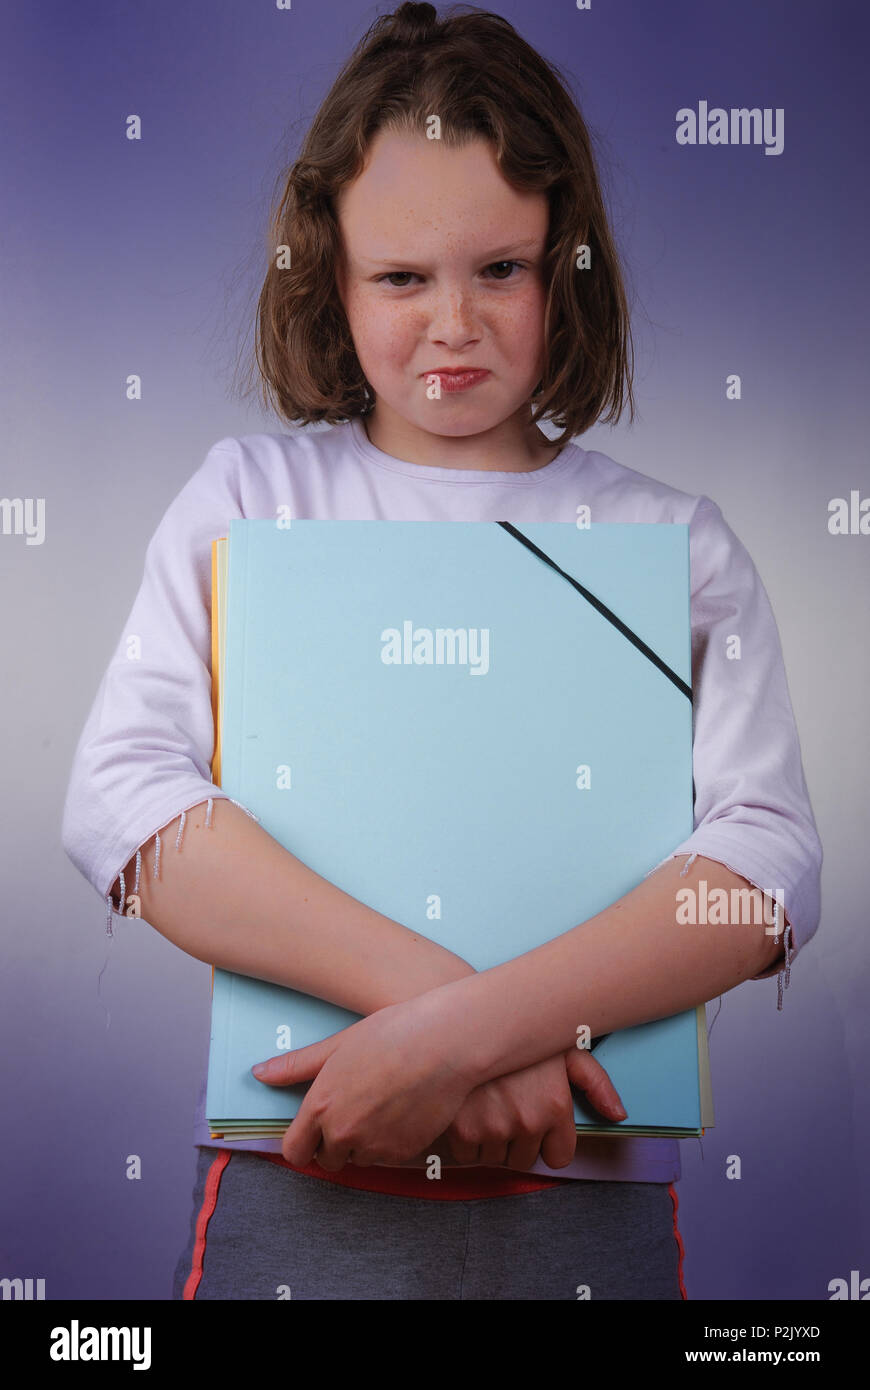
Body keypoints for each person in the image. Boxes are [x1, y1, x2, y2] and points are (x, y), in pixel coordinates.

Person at [61, 2, 822, 1301]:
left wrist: (471, 1032)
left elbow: (765, 856)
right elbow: (122, 795)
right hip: (299, 1174)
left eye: (501, 269)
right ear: (330, 272)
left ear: (564, 261)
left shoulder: (670, 538)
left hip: (586, 1197)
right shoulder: (250, 497)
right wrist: (450, 1020)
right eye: (401, 278)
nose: (453, 322)